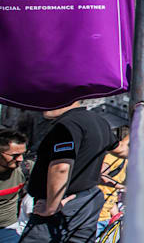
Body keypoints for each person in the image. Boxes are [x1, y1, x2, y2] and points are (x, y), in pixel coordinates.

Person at [18, 101, 113, 243]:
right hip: (87, 199)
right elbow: (120, 149)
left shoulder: (66, 125)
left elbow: (61, 167)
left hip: (62, 203)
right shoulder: (98, 120)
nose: (42, 103)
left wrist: (51, 207)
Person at [96, 127, 129, 232]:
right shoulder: (115, 157)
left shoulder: (125, 160)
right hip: (97, 216)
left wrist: (116, 216)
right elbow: (100, 174)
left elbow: (109, 192)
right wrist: (122, 187)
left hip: (106, 215)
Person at [0, 128, 28, 243]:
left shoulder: (25, 168)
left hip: (8, 229)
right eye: (15, 155)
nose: (20, 159)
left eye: (23, 154)